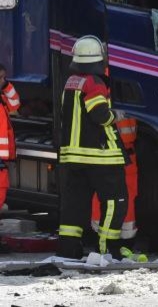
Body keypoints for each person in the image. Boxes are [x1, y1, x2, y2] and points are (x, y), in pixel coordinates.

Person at [56, 36, 133, 260]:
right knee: (114, 201)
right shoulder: (94, 83)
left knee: (75, 204)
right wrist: (115, 115)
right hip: (101, 156)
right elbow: (99, 114)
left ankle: (68, 249)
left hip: (74, 157)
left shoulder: (71, 81)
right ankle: (107, 248)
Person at [91, 111, 140, 248]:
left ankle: (102, 235)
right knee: (125, 195)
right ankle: (124, 238)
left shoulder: (102, 95)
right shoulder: (125, 96)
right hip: (124, 151)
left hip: (109, 151)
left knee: (104, 192)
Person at [0, 63, 21, 210]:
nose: (3, 81)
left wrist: (6, 85)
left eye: (4, 78)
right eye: (1, 78)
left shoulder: (2, 97)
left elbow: (15, 104)